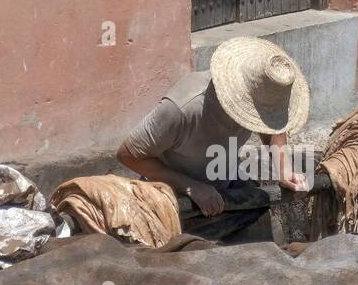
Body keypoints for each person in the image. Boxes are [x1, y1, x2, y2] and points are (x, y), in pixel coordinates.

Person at [118, 36, 309, 237]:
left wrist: (284, 168)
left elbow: (274, 125)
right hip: (178, 200)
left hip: (226, 185)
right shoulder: (183, 108)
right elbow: (128, 154)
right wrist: (191, 187)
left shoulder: (263, 96)